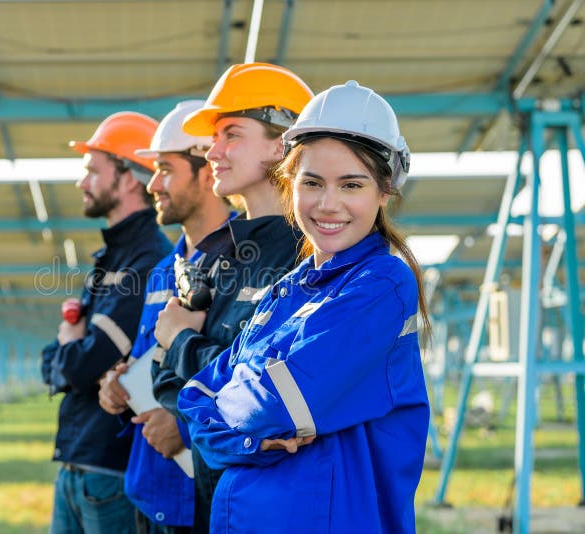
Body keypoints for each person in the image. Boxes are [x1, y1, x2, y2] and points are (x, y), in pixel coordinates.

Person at [177, 80, 432, 533]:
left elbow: (280, 405)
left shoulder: (382, 284)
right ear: (290, 184)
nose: (328, 204)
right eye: (312, 183)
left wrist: (240, 396)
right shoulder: (288, 290)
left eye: (351, 185)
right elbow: (195, 399)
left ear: (385, 192)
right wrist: (250, 431)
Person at [149, 63, 313, 532]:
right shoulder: (221, 256)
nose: (213, 152)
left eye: (231, 135)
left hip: (276, 508)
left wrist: (183, 343)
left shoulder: (309, 256)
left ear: (282, 145)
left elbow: (268, 400)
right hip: (219, 501)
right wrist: (201, 367)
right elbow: (169, 385)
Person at [97, 100, 232, 533]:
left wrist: (186, 429)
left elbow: (250, 384)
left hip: (203, 499)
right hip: (151, 492)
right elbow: (152, 366)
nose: (152, 183)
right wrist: (119, 386)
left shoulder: (246, 268)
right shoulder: (160, 273)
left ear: (208, 173)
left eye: (167, 170)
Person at [40, 111, 172, 534]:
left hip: (110, 470)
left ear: (130, 176)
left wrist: (66, 350)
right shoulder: (113, 259)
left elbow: (82, 363)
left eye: (92, 171)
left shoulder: (148, 259)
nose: (82, 183)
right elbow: (65, 362)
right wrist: (67, 352)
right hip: (79, 462)